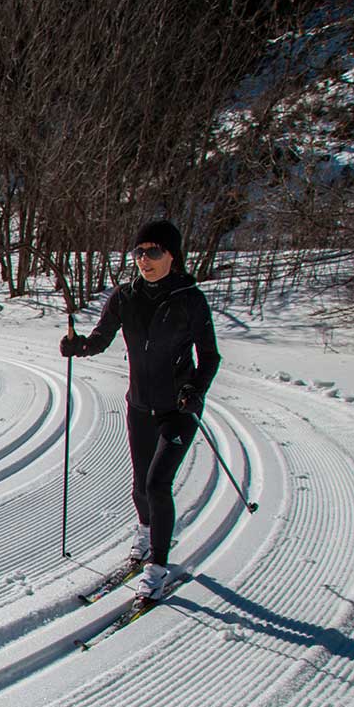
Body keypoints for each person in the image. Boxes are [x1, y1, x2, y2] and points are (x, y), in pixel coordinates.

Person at [60, 219, 220, 599]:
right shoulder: (125, 297)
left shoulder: (190, 300)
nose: (144, 259)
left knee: (157, 483)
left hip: (177, 409)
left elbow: (210, 357)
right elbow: (100, 339)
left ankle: (159, 567)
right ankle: (147, 533)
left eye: (154, 252)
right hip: (139, 405)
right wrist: (77, 346)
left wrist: (195, 390)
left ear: (172, 256)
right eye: (139, 251)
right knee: (139, 487)